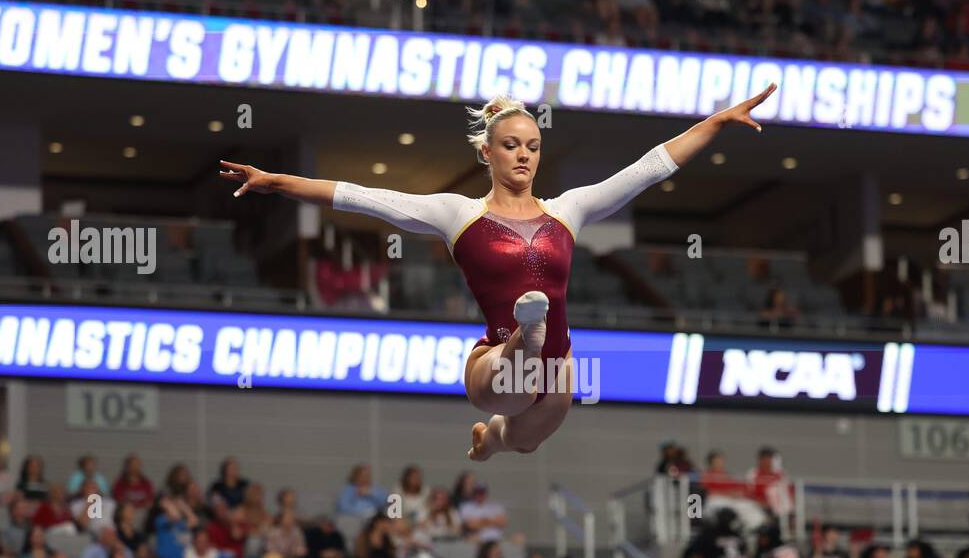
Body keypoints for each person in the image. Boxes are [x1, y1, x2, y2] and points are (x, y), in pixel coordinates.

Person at [220, 83, 778, 460]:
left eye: (533, 147)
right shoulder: (458, 214)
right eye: (511, 145)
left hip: (557, 376)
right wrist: (277, 182)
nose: (524, 155)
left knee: (521, 442)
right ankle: (525, 334)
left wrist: (718, 122)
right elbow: (363, 196)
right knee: (513, 381)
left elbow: (650, 168)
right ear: (486, 153)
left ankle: (489, 442)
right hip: (496, 364)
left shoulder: (569, 211)